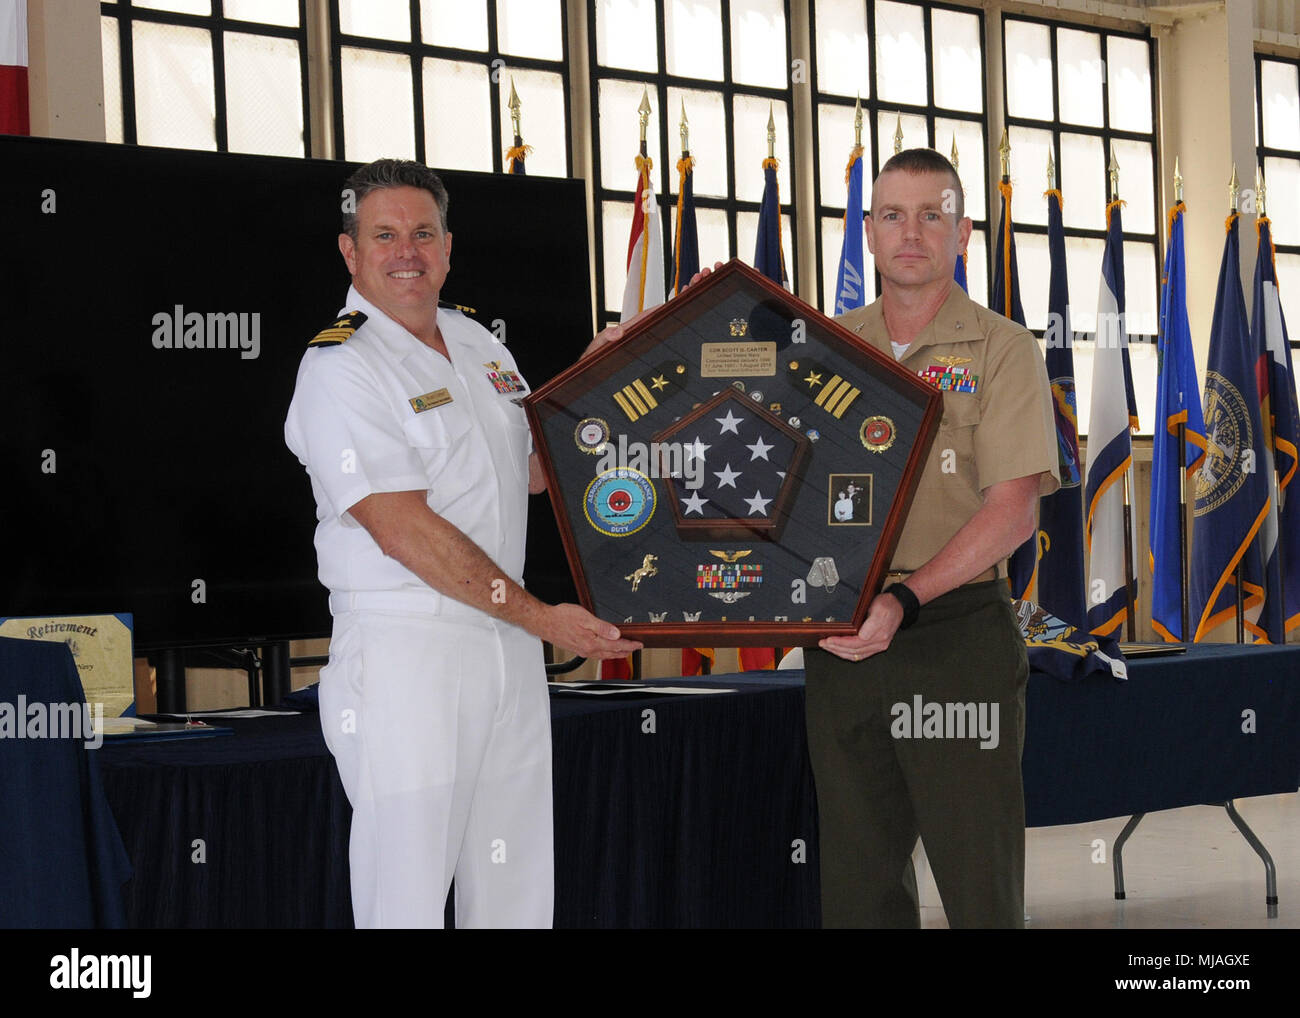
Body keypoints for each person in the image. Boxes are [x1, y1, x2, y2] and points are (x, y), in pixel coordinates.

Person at [284, 158, 640, 929]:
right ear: (351, 252)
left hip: (505, 645)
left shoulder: (480, 344)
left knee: (514, 886)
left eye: (423, 233)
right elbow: (402, 529)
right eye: (384, 235)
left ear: (448, 248)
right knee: (405, 895)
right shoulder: (340, 367)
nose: (406, 251)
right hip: (410, 650)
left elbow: (538, 474)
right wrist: (544, 619)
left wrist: (597, 380)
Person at [807, 148, 1059, 928]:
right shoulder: (822, 349)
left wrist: (904, 600)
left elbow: (1014, 512)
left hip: (954, 638)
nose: (910, 232)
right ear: (869, 234)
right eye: (891, 215)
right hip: (844, 639)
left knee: (977, 880)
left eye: (931, 213)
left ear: (962, 231)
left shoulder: (1005, 349)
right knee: (858, 883)